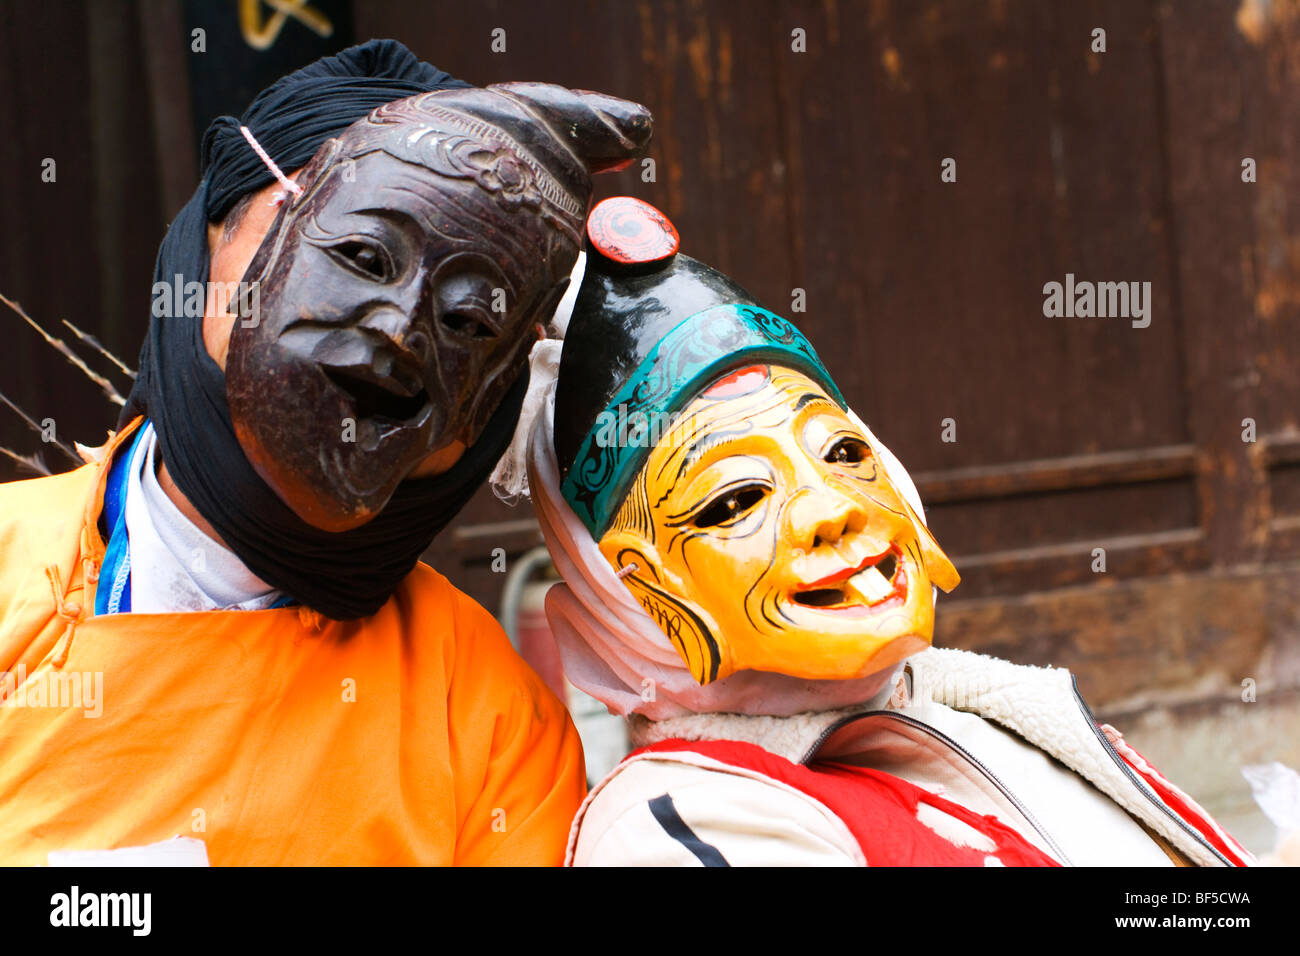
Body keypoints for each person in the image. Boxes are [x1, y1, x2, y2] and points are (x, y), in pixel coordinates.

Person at [0, 40, 650, 865]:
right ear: (210, 247)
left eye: (470, 321)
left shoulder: (485, 716)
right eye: (360, 256)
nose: (397, 331)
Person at [508, 196, 1253, 866]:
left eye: (843, 454)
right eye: (735, 500)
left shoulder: (988, 711)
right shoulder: (682, 829)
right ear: (630, 592)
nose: (834, 508)